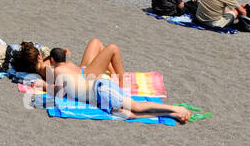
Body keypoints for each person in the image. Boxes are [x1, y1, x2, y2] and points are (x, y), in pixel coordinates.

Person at [12, 41, 192, 122]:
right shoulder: (52, 65)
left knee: (136, 107)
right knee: (129, 113)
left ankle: (175, 109)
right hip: (99, 88)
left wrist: (42, 85)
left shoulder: (53, 70)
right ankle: (171, 113)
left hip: (101, 89)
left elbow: (55, 90)